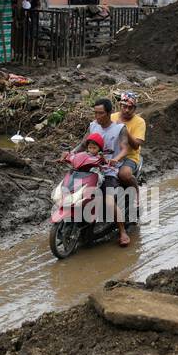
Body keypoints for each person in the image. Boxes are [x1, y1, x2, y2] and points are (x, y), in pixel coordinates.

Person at [68, 98, 132, 246]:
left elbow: (124, 148)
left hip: (108, 170)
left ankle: (122, 232)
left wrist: (117, 158)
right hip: (89, 168)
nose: (97, 117)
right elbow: (83, 145)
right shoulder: (93, 126)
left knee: (109, 201)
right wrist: (70, 154)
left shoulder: (119, 128)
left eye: (101, 113)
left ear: (109, 113)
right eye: (95, 113)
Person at [111, 90, 146, 193]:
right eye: (124, 106)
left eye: (130, 108)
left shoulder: (139, 122)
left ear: (134, 108)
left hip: (130, 156)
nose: (126, 110)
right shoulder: (112, 117)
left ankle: (136, 195)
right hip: (112, 153)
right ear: (120, 105)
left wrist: (124, 129)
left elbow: (136, 146)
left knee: (124, 174)